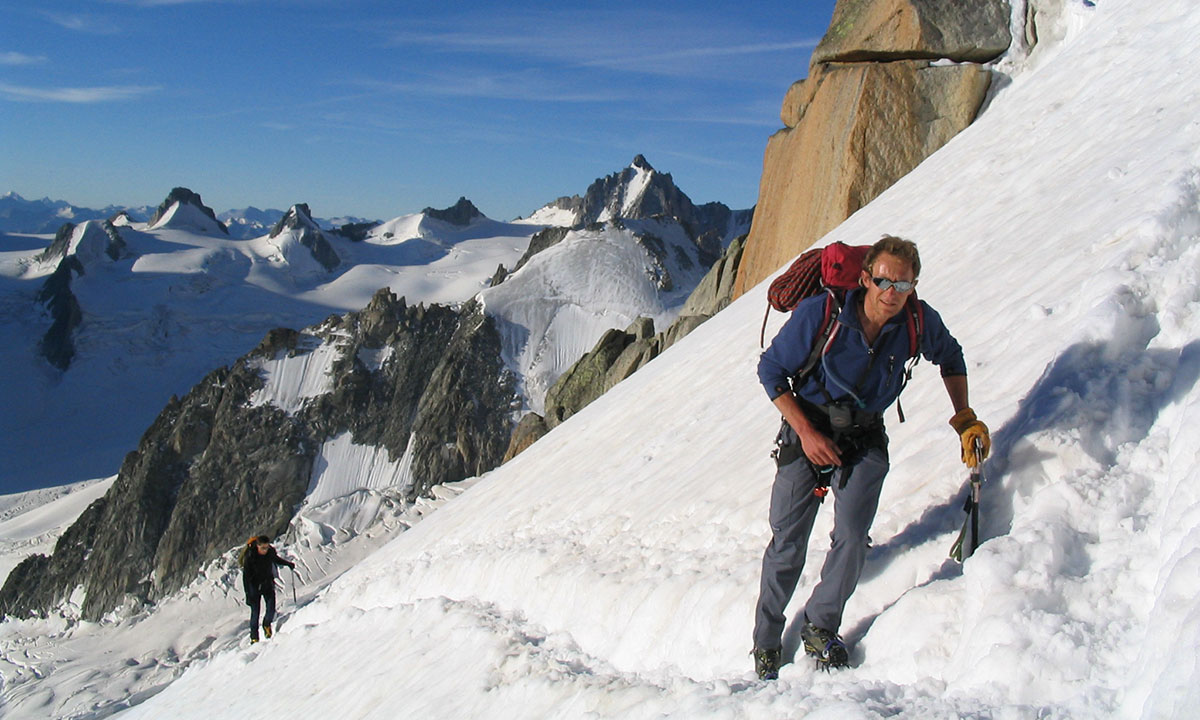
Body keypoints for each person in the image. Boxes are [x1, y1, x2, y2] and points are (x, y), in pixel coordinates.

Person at [751, 235, 989, 678]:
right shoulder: (822, 314)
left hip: (864, 437)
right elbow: (771, 371)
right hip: (807, 429)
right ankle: (765, 642)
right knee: (788, 543)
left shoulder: (917, 321)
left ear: (913, 286)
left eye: (903, 284)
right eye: (883, 281)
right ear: (865, 279)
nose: (891, 293)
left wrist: (964, 418)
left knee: (852, 537)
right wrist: (806, 433)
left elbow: (951, 357)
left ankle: (820, 625)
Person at [240, 535, 296, 643]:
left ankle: (266, 624)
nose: (265, 550)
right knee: (255, 613)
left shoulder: (269, 553)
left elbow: (276, 559)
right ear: (257, 546)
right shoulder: (250, 556)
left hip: (267, 583)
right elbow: (246, 578)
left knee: (271, 608)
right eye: (263, 548)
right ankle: (254, 637)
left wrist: (288, 564)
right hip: (254, 587)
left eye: (267, 547)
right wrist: (248, 594)